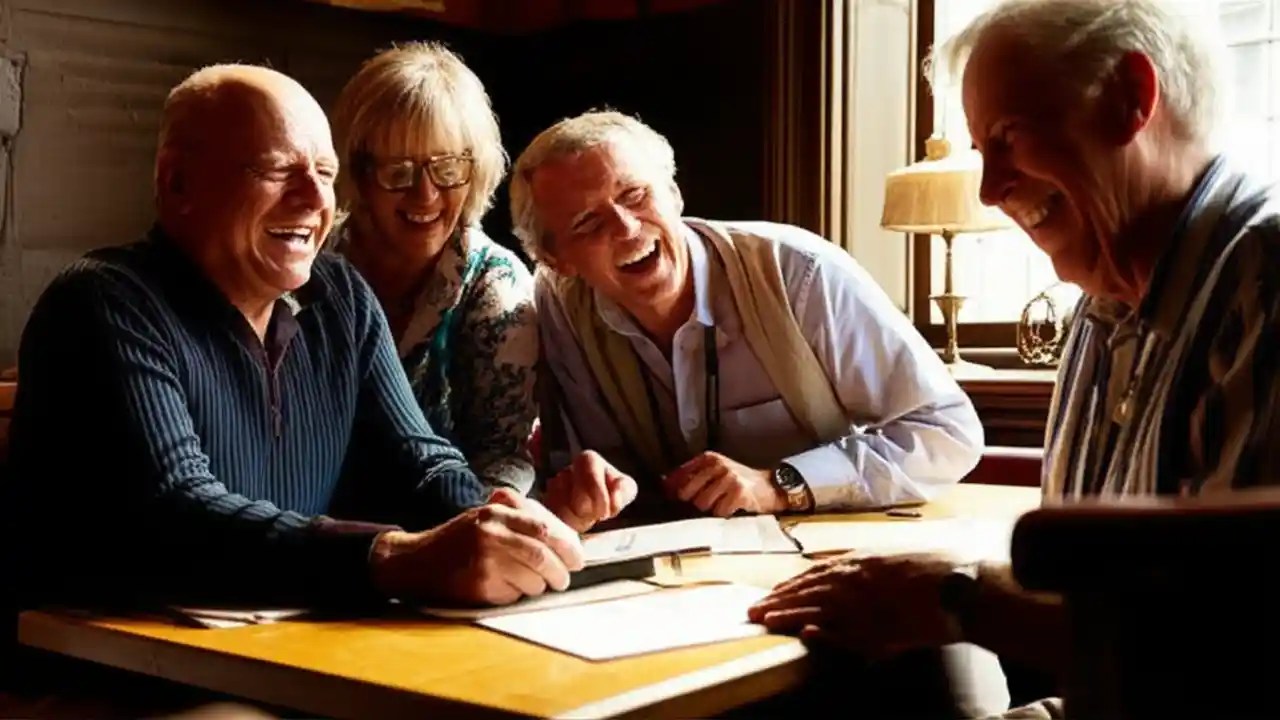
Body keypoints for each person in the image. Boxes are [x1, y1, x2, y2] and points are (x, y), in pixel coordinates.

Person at [750, 1, 1280, 716]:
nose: (990, 189)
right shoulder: (1103, 304)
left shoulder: (1264, 273)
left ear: (1130, 98)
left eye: (1007, 137)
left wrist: (956, 598)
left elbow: (1230, 647)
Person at [0, 64, 584, 618]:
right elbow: (177, 513)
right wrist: (390, 557)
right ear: (178, 184)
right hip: (100, 673)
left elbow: (418, 459)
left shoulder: (340, 296)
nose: (314, 200)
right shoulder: (104, 303)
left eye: (325, 174)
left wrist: (492, 522)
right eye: (278, 170)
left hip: (278, 648)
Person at [509, 110, 984, 531]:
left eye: (635, 195)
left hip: (830, 552)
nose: (626, 228)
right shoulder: (559, 306)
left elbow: (948, 432)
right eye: (587, 224)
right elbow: (583, 466)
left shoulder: (798, 272)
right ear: (556, 259)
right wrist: (588, 491)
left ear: (674, 194)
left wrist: (778, 485)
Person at [329, 43, 538, 494]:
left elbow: (501, 456)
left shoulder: (496, 285)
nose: (425, 196)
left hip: (446, 525)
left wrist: (484, 522)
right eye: (399, 171)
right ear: (360, 172)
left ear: (476, 168)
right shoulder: (310, 262)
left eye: (447, 168)